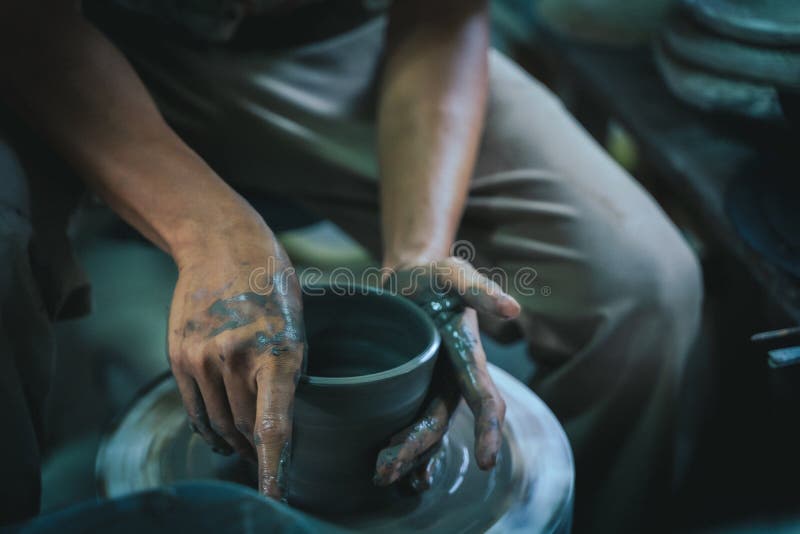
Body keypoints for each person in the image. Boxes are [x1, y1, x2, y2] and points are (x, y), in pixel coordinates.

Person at [0, 0, 703, 531]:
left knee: (641, 287)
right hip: (96, 42)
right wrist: (206, 227)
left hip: (357, 46)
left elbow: (443, 14)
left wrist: (421, 254)